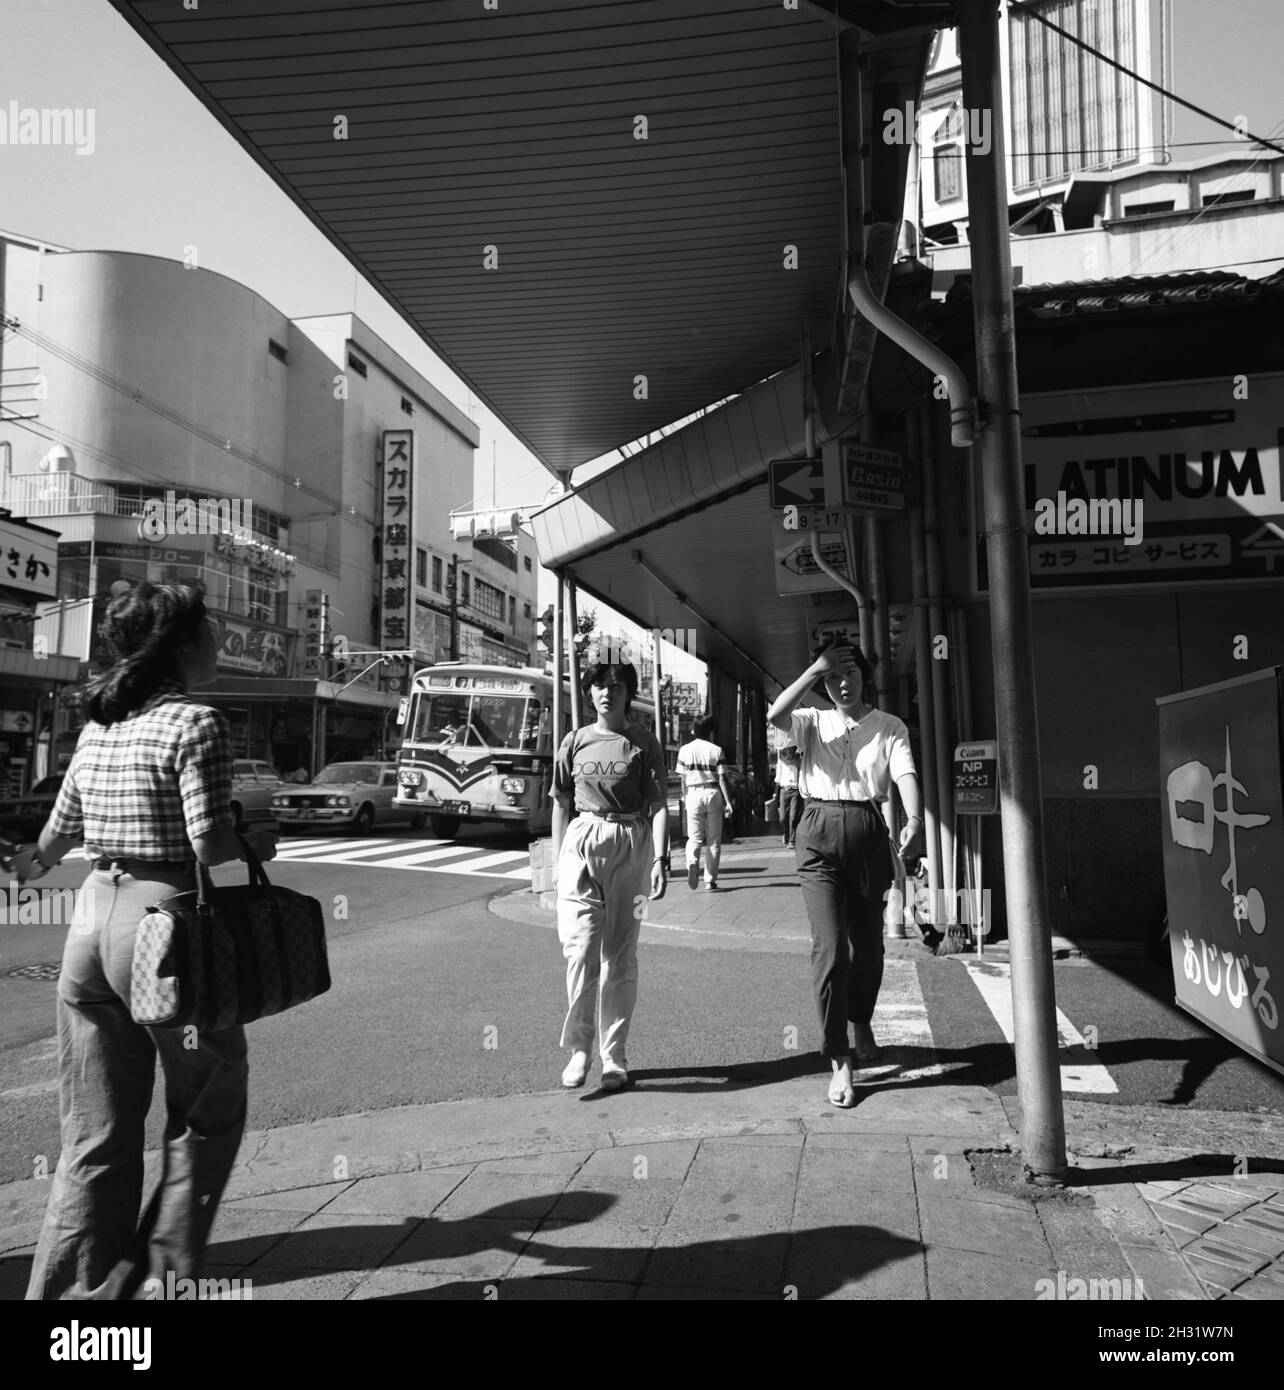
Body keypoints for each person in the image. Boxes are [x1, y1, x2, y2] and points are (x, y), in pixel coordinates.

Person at [18, 582, 278, 1300]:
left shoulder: (101, 727)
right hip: (164, 928)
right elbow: (211, 842)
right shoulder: (197, 724)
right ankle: (154, 1288)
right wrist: (258, 843)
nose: (220, 646)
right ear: (183, 645)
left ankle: (67, 1306)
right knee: (206, 1110)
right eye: (211, 634)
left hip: (90, 923)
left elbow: (56, 835)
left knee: (94, 1134)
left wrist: (26, 864)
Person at [767, 640, 923, 1110]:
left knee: (869, 948)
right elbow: (776, 715)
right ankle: (839, 1057)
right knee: (831, 950)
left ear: (864, 676)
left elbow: (905, 774)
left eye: (849, 672)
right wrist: (813, 668)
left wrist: (913, 821)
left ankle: (860, 1018)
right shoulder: (811, 721)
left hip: (868, 831)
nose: (841, 682)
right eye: (832, 676)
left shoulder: (889, 725)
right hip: (816, 829)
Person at [551, 660, 668, 1092]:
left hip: (630, 843)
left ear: (628, 694)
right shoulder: (574, 741)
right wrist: (558, 862)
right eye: (598, 686)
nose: (606, 692)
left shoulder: (643, 742)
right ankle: (580, 1045)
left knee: (620, 956)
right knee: (580, 949)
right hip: (582, 841)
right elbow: (561, 802)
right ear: (589, 693)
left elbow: (658, 805)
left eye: (615, 686)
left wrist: (659, 859)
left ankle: (613, 1057)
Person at [675, 715, 734, 891]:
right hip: (713, 793)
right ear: (710, 732)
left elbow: (683, 779)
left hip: (693, 793)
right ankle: (710, 880)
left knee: (694, 837)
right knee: (714, 841)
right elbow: (723, 778)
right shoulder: (717, 750)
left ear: (694, 730)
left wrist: (685, 798)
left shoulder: (684, 750)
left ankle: (692, 863)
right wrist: (728, 802)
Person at [775, 742, 803, 848]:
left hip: (795, 791)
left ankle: (792, 840)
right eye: (788, 749)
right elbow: (777, 779)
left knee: (793, 816)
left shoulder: (799, 761)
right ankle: (786, 835)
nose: (789, 751)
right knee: (783, 818)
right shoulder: (781, 762)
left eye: (791, 749)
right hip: (784, 790)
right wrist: (775, 794)